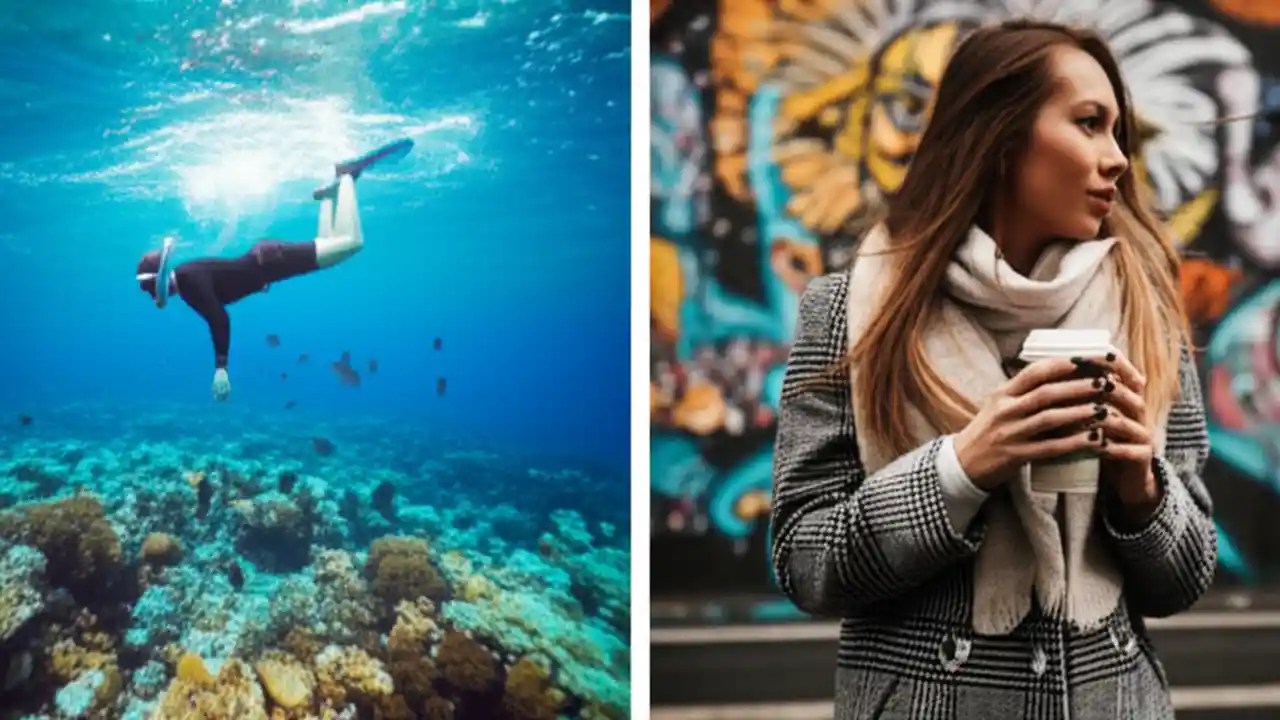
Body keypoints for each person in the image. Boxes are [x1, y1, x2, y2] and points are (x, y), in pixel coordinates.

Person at [768, 19, 1215, 720]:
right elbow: (804, 561)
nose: (1119, 157)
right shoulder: (850, 309)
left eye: (1117, 131)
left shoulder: (1147, 313)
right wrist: (962, 468)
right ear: (1002, 139)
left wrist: (1142, 486)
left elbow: (1186, 581)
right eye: (1090, 124)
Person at [135, 139, 411, 401]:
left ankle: (348, 176)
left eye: (150, 290)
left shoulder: (188, 282)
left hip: (271, 262)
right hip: (269, 263)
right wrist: (256, 285)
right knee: (330, 248)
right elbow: (225, 282)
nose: (152, 296)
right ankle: (330, 196)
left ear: (158, 281)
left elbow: (219, 319)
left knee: (351, 243)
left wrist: (221, 368)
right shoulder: (186, 280)